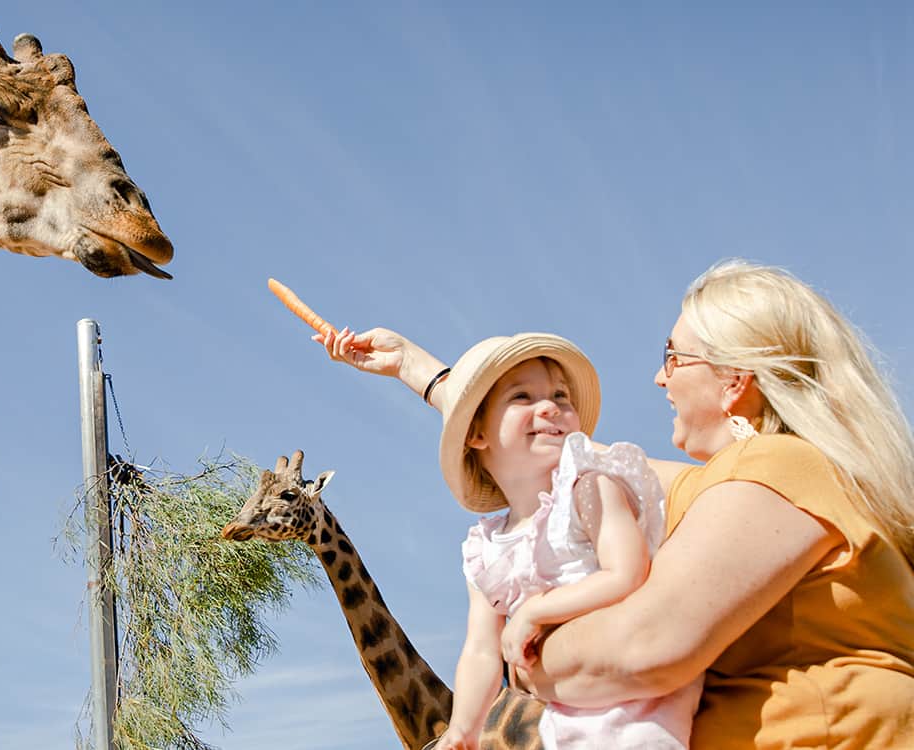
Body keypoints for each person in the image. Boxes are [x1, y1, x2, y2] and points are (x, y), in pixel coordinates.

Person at [317, 259, 914, 747]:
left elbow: (642, 650)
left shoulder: (780, 469)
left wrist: (525, 649)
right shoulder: (730, 485)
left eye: (673, 356)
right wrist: (422, 372)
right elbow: (541, 448)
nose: (660, 378)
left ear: (734, 380)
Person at [405, 333, 699, 749]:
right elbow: (481, 649)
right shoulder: (485, 549)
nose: (550, 407)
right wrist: (463, 730)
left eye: (561, 396)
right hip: (564, 719)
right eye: (522, 397)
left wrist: (535, 611)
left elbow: (628, 573)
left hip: (639, 709)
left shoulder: (589, 489)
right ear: (477, 434)